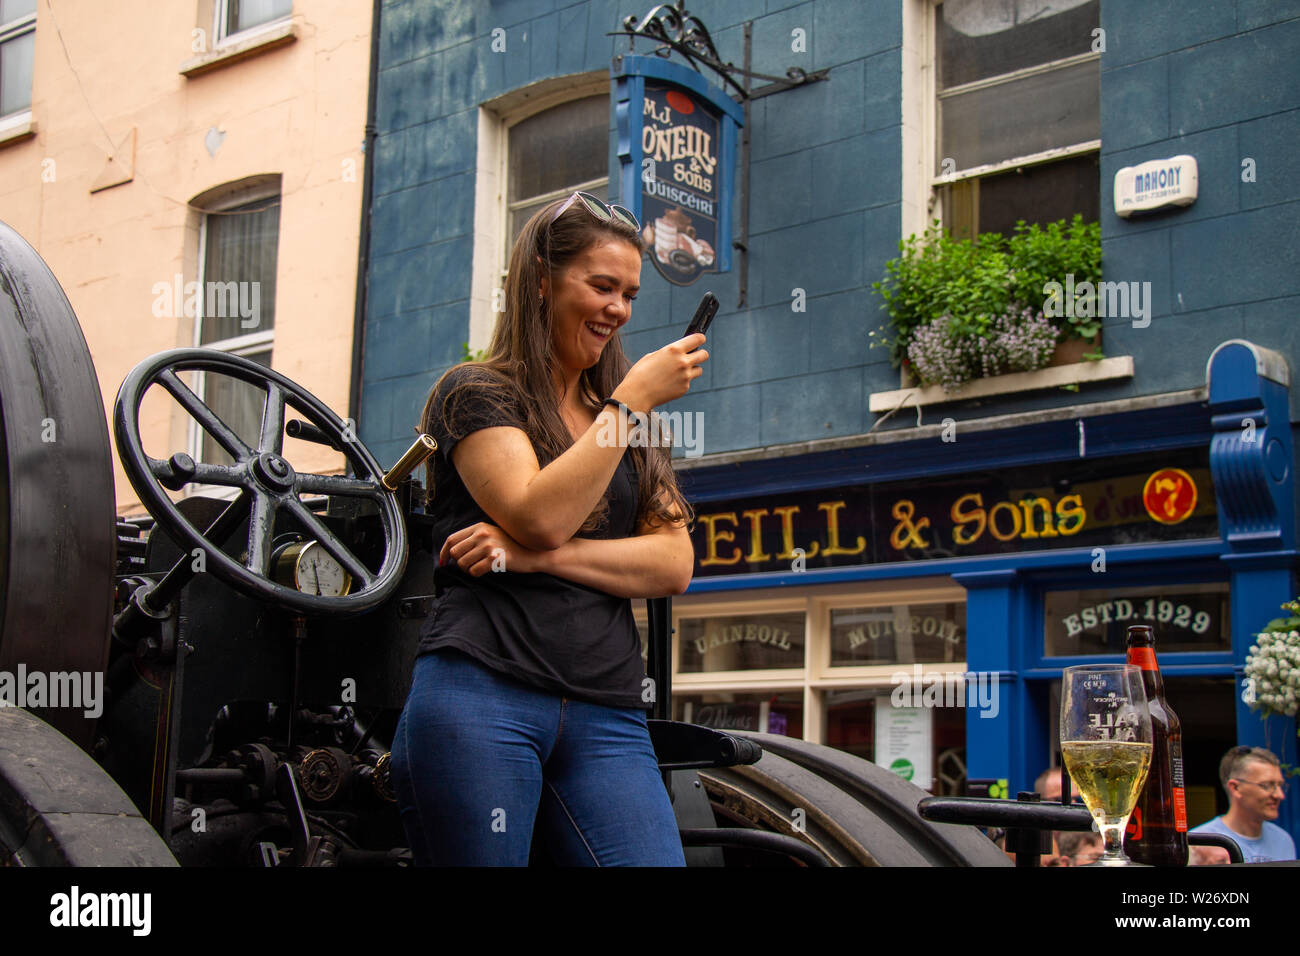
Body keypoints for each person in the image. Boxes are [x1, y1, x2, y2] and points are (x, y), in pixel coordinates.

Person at [389, 190, 709, 866]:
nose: (619, 309)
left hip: (607, 709)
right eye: (602, 286)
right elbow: (539, 516)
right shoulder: (476, 392)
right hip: (483, 692)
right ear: (541, 278)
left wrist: (541, 560)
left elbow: (672, 564)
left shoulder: (624, 421)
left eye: (630, 294)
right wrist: (630, 402)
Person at [1190, 745, 1295, 863]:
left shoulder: (1283, 840)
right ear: (1235, 788)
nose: (1279, 795)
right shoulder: (1199, 843)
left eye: (1280, 785)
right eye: (1267, 785)